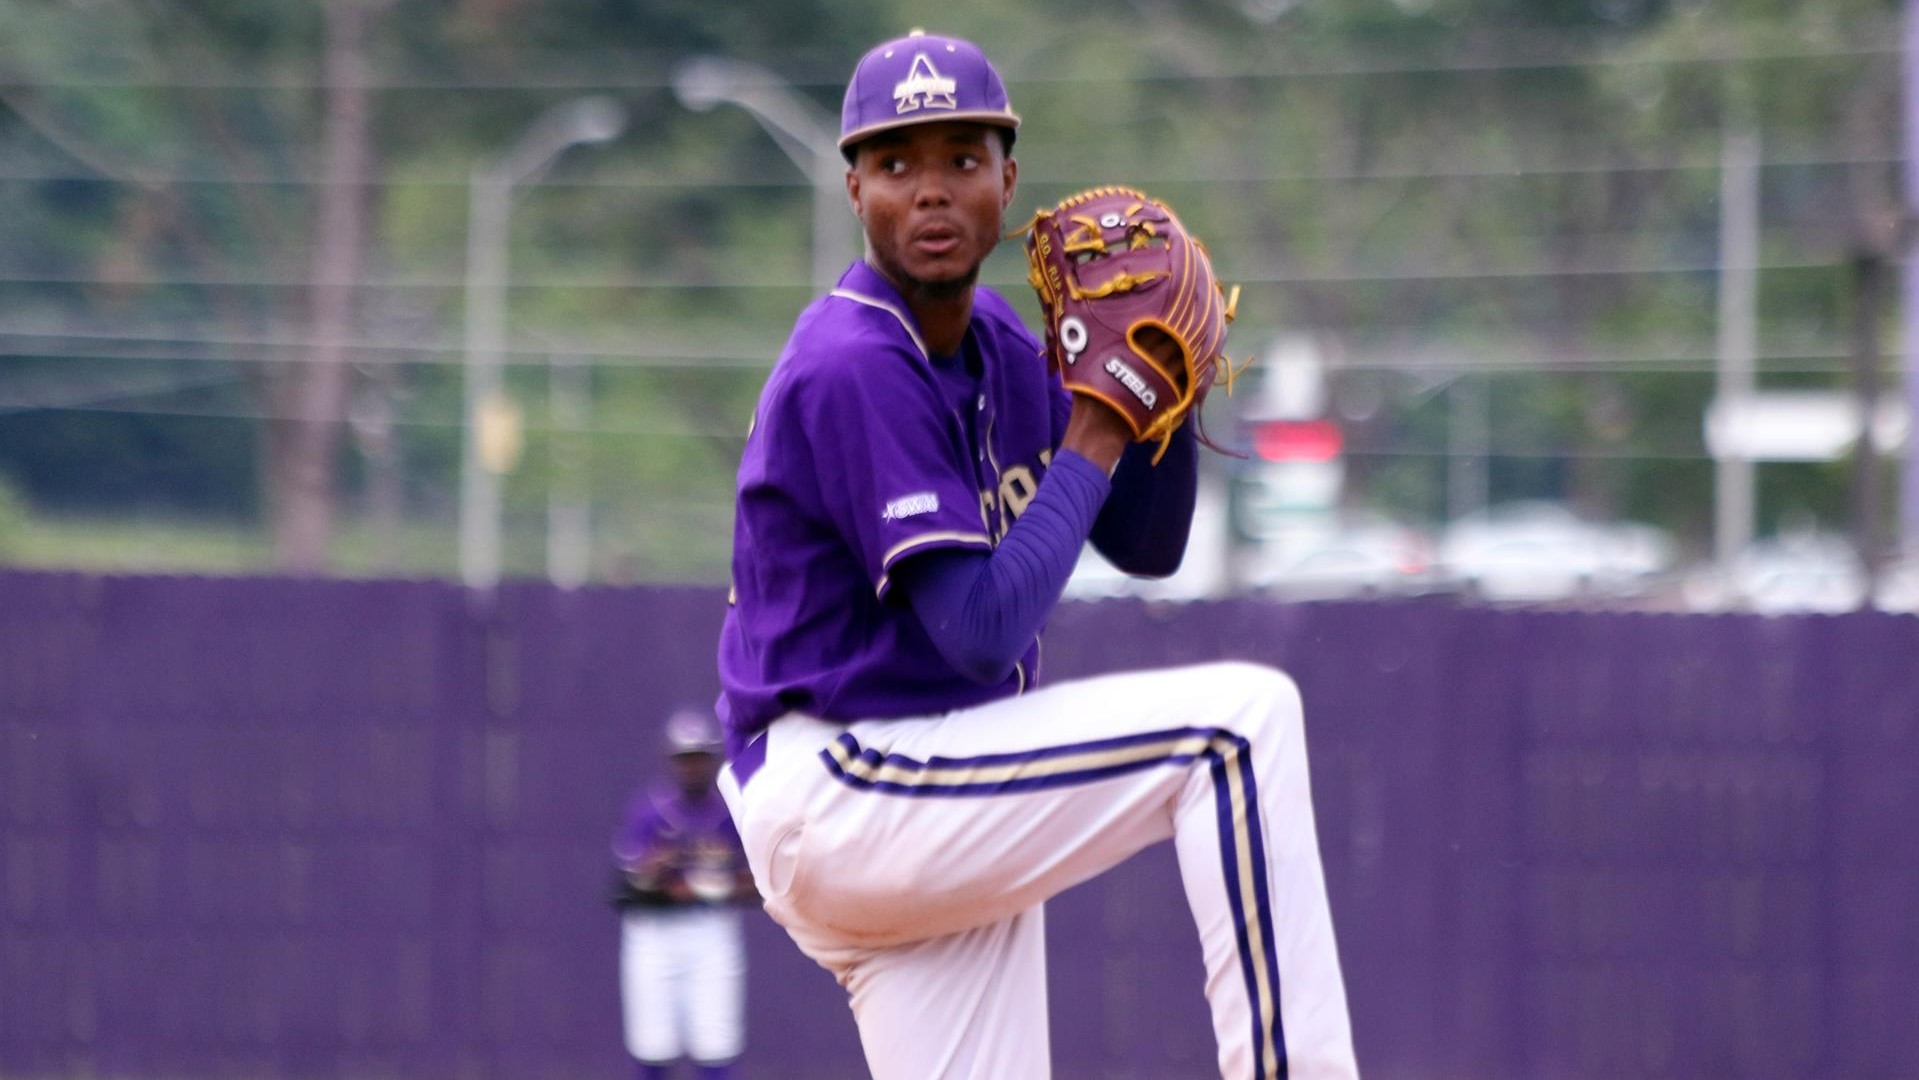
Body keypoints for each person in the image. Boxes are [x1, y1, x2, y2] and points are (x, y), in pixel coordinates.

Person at [712, 28, 1360, 1080]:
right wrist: (1100, 429)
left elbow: (1147, 545)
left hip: (926, 792)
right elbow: (976, 630)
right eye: (895, 163)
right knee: (1235, 732)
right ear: (853, 190)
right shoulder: (850, 361)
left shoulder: (1005, 346)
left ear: (1007, 183)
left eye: (960, 161)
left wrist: (1160, 384)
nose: (929, 191)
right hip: (843, 784)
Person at [611, 709, 757, 1080]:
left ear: (711, 760)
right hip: (654, 932)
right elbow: (630, 878)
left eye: (699, 758)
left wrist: (711, 885)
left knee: (716, 1042)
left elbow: (757, 880)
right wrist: (664, 870)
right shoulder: (650, 811)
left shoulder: (729, 812)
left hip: (711, 929)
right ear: (671, 762)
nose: (692, 767)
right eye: (684, 759)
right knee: (653, 1044)